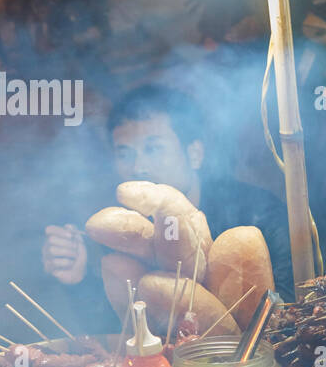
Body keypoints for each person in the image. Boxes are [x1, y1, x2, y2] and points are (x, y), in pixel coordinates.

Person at [42, 84, 296, 318]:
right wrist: (79, 280)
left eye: (153, 148)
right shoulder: (126, 234)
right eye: (125, 153)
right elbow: (125, 332)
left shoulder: (256, 214)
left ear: (194, 153)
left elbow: (291, 305)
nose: (138, 167)